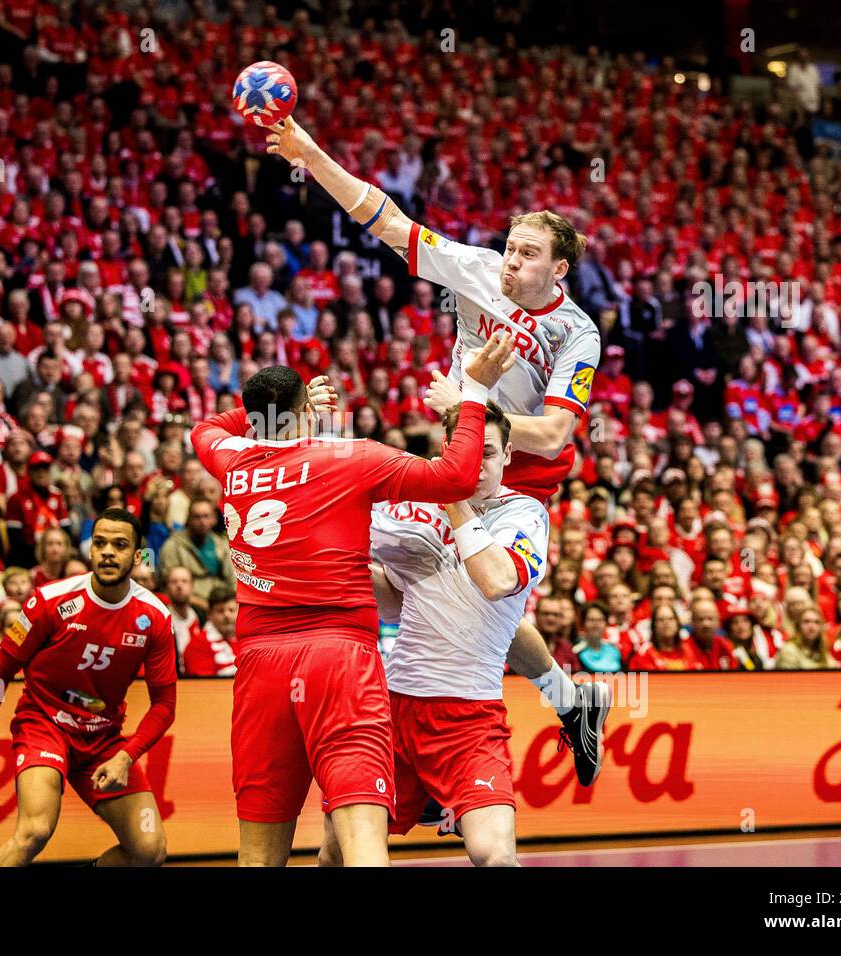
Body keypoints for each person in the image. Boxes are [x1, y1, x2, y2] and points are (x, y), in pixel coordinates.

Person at [265, 117, 611, 789]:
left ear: (558, 268)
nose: (511, 262)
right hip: (459, 460)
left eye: (528, 254)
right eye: (509, 248)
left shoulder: (578, 335)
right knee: (426, 586)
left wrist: (469, 399)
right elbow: (387, 220)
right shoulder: (476, 271)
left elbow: (551, 434)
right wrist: (312, 153)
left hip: (519, 487)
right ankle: (569, 700)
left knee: (478, 601)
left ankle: (434, 761)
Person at [190, 334, 513, 867]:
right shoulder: (349, 458)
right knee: (363, 849)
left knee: (257, 857)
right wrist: (472, 391)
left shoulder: (230, 459)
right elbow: (454, 475)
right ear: (306, 413)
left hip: (259, 666)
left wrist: (273, 415)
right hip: (337, 660)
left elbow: (208, 427)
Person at [323, 401, 571, 867]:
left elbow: (496, 580)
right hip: (391, 707)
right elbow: (392, 600)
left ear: (509, 455)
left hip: (468, 718)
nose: (477, 466)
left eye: (489, 454)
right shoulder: (408, 505)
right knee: (337, 852)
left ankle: (567, 696)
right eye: (466, 454)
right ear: (447, 450)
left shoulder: (524, 515)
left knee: (495, 856)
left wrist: (451, 493)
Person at [0, 508, 176, 866]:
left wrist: (124, 757)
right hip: (44, 724)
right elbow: (1, 670)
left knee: (150, 852)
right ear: (90, 550)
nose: (108, 552)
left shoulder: (155, 618)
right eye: (100, 544)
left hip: (104, 738)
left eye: (119, 545)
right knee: (34, 831)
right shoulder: (50, 600)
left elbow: (164, 706)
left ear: (138, 555)